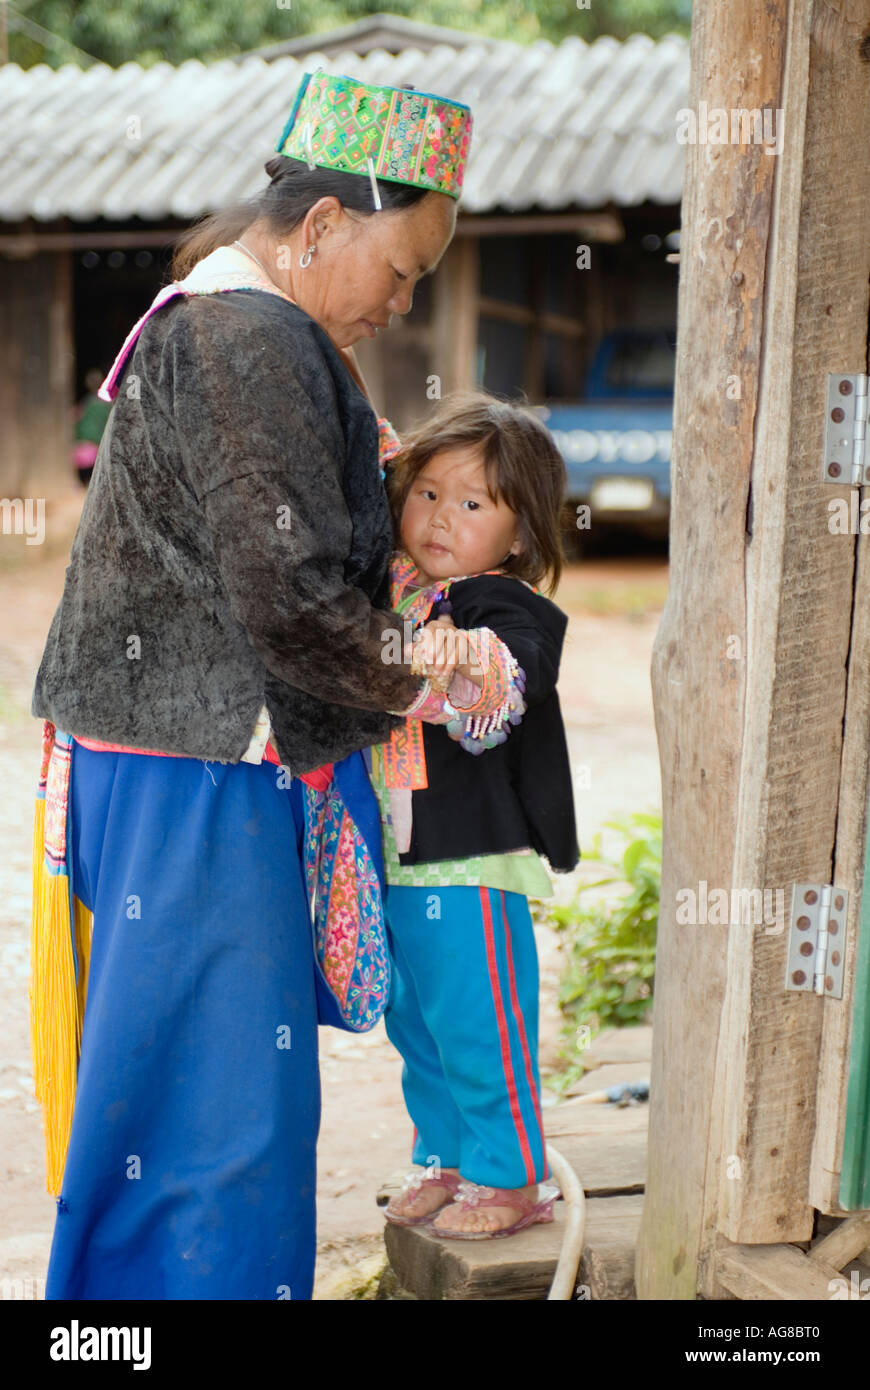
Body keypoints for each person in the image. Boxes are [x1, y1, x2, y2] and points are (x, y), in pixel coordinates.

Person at [29, 69, 473, 1300]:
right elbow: (289, 593)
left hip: (183, 759)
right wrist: (421, 678)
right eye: (404, 269)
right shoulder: (245, 336)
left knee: (190, 1097)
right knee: (218, 1117)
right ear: (322, 224)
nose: (402, 301)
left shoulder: (244, 327)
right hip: (197, 769)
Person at [377, 391, 580, 1237]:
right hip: (396, 858)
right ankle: (447, 1158)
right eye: (428, 493)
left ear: (521, 533)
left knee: (479, 1021)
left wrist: (464, 661)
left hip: (470, 860)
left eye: (471, 504)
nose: (439, 518)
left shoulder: (501, 606)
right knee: (416, 1022)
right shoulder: (394, 593)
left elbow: (511, 674)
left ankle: (511, 1177)